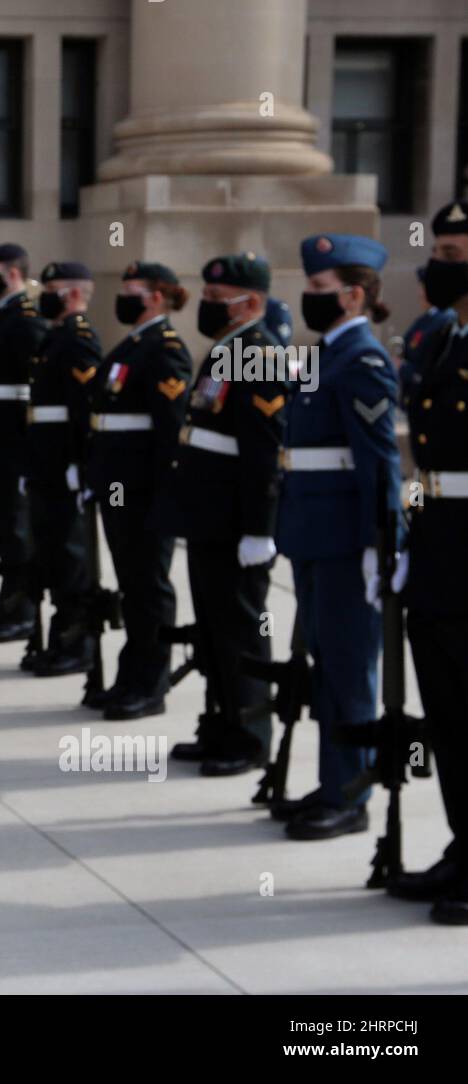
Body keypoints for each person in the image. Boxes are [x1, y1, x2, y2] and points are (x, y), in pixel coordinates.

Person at [275, 232, 404, 841]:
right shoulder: (322, 355)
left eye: (320, 289)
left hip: (349, 543)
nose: (308, 296)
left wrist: (384, 545)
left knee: (350, 669)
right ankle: (333, 782)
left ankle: (349, 796)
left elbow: (380, 465)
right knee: (326, 665)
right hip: (313, 535)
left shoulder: (364, 361)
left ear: (354, 296)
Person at [165, 253, 288, 774]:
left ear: (251, 303)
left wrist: (259, 529)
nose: (208, 307)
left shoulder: (258, 355)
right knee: (214, 628)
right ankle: (218, 723)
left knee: (240, 628)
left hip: (236, 522)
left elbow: (265, 452)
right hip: (209, 517)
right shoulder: (227, 350)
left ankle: (250, 734)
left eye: (218, 301)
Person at [388, 200, 468, 922]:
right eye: (439, 252)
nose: (437, 266)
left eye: (452, 254)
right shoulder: (444, 340)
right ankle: (461, 846)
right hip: (442, 536)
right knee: (446, 711)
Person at [83, 262, 193, 719]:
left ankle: (151, 683)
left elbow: (170, 435)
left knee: (149, 587)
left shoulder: (164, 349)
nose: (123, 297)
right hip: (117, 489)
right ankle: (131, 675)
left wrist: (165, 495)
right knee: (132, 586)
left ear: (156, 296)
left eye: (132, 290)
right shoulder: (130, 346)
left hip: (143, 491)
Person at [21, 260, 102, 676]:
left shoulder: (79, 339)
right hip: (44, 463)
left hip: (62, 465)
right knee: (49, 554)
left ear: (72, 294)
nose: (43, 296)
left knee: (71, 557)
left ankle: (78, 642)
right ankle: (60, 636)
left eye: (51, 288)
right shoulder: (55, 337)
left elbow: (85, 408)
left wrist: (79, 463)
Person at [0, 243, 49, 643]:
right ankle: (10, 607)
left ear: (14, 273)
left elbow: (36, 389)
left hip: (13, 443)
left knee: (16, 532)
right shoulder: (0, 313)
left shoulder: (28, 317)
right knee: (3, 528)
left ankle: (22, 611)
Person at [397, 264, 456, 399]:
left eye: (424, 288)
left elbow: (433, 369)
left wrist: (403, 368)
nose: (420, 294)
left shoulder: (445, 320)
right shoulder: (429, 318)